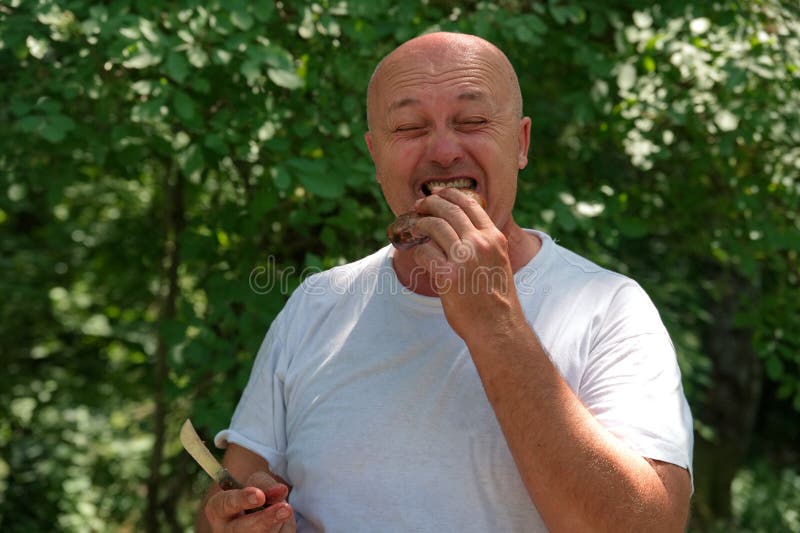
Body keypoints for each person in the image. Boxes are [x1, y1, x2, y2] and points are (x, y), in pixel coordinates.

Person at [196, 32, 693, 532]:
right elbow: (226, 500)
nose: (444, 151)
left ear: (520, 144)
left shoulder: (608, 307)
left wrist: (494, 324)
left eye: (473, 121)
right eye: (410, 128)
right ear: (375, 156)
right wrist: (238, 519)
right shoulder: (317, 304)